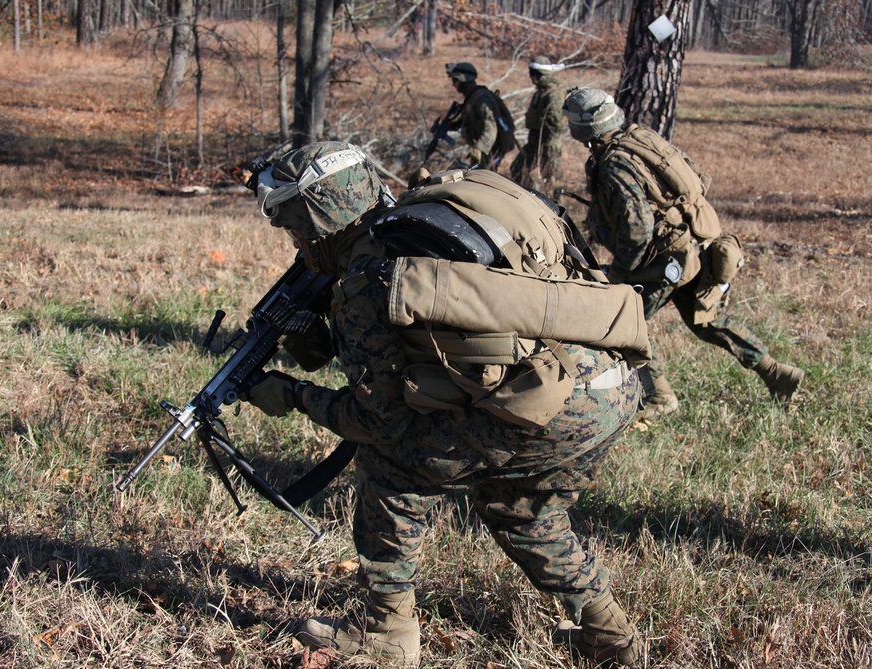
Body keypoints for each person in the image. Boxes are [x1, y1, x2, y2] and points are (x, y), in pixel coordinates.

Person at [244, 141, 647, 667]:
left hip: (547, 406)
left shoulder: (374, 279)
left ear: (317, 219)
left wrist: (294, 394)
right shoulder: (428, 217)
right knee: (520, 508)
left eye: (295, 229)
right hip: (610, 386)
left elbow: (376, 420)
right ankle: (612, 638)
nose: (295, 243)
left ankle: (388, 637)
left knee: (390, 466)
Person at [562, 87, 805, 418]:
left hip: (665, 259)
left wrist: (622, 271)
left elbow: (638, 228)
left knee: (625, 324)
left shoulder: (615, 163)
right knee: (707, 321)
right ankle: (777, 373)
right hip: (690, 245)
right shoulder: (639, 138)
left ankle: (660, 398)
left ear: (582, 130)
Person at [509, 56, 566, 193]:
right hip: (534, 144)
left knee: (553, 182)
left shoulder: (553, 94)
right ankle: (532, 196)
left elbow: (556, 124)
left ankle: (556, 210)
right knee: (517, 168)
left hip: (548, 146)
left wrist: (545, 142)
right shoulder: (540, 93)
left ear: (535, 75)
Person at [444, 62, 513, 170]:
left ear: (463, 81)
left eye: (455, 81)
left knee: (483, 180)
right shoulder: (471, 97)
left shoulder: (481, 99)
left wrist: (479, 149)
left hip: (491, 147)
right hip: (485, 148)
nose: (453, 85)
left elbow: (491, 128)